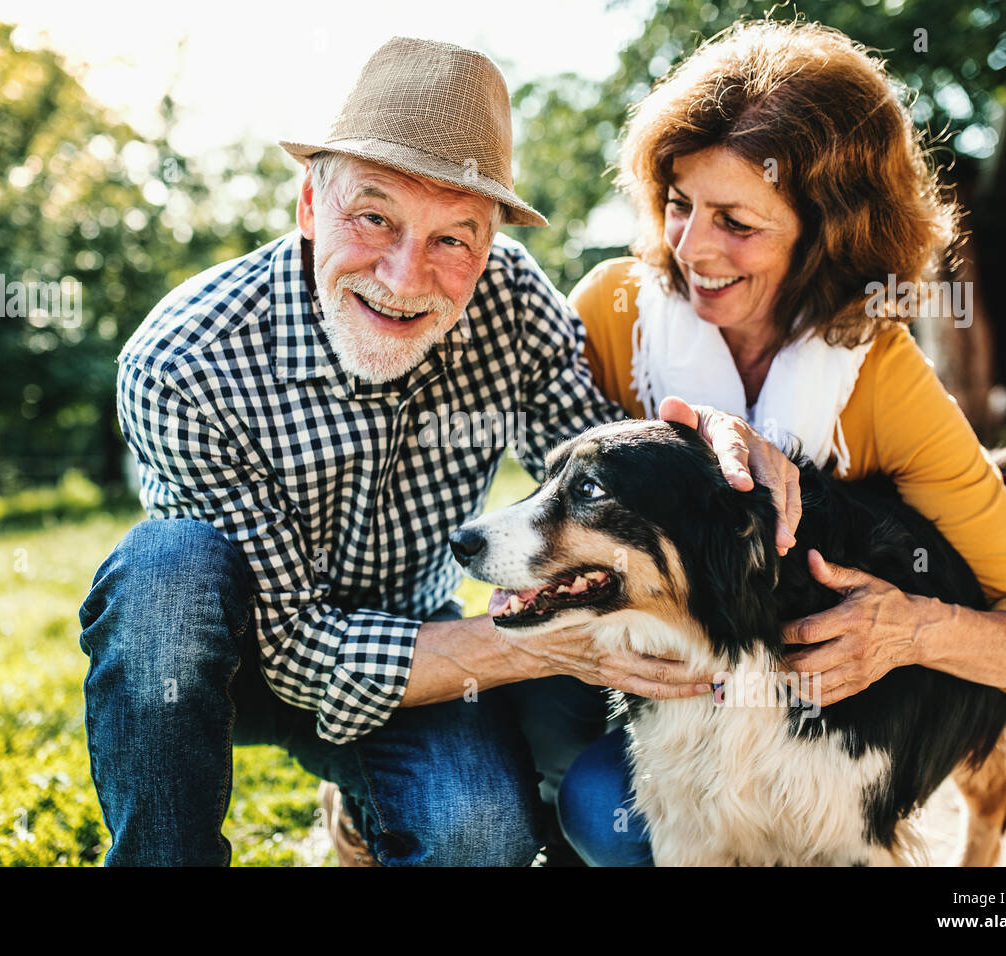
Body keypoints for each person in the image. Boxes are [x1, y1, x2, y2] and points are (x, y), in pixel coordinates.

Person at [77, 35, 722, 867]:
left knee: (479, 838)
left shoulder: (513, 306)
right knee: (165, 571)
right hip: (227, 657)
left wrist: (720, 463)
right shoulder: (184, 359)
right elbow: (298, 649)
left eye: (454, 237)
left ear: (489, 247)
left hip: (415, 644)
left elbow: (604, 477)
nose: (405, 274)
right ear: (310, 207)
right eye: (373, 215)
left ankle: (359, 808)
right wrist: (532, 647)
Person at [556, 19, 1006, 866]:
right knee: (598, 806)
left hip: (808, 731)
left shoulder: (885, 380)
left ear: (829, 231)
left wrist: (911, 630)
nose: (693, 248)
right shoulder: (611, 313)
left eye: (738, 221)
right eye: (681, 204)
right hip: (648, 698)